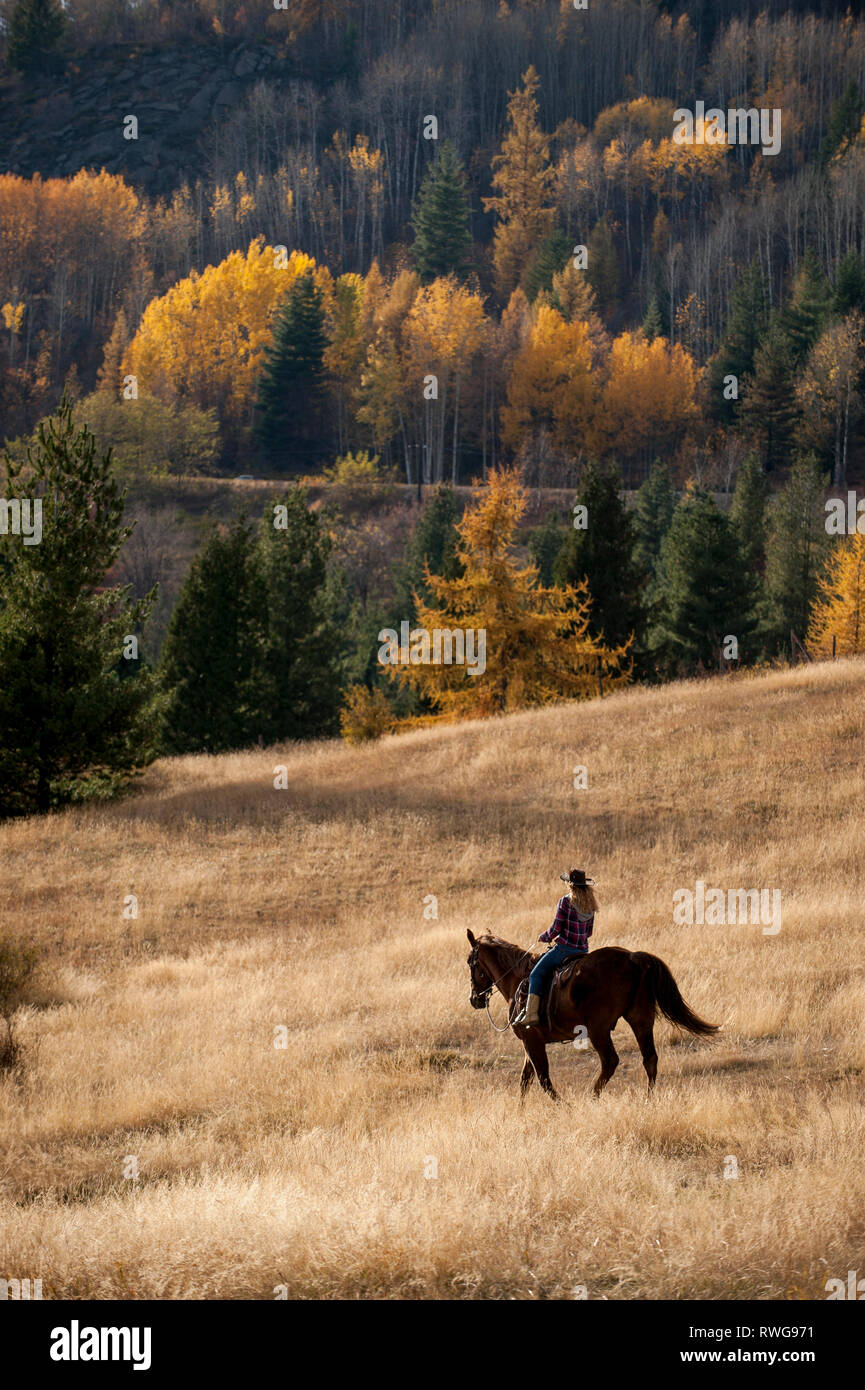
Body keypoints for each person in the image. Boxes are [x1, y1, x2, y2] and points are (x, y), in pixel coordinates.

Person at [514, 869, 597, 1027]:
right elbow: (589, 933)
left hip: (564, 950)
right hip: (583, 951)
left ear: (570, 885)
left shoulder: (565, 902)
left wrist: (544, 936)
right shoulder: (591, 904)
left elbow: (555, 929)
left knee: (535, 974)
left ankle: (531, 1015)